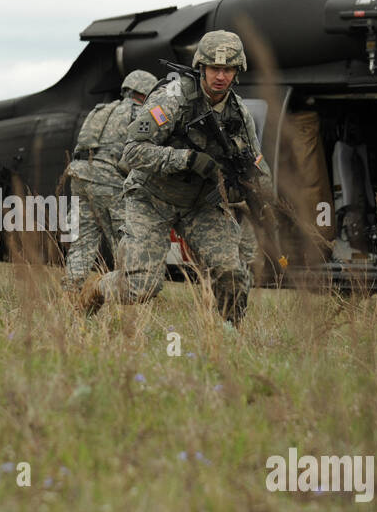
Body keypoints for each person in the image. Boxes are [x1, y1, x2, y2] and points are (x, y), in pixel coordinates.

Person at [79, 31, 273, 324]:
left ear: (237, 71)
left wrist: (262, 194)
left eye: (228, 69)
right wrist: (187, 160)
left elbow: (255, 162)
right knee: (141, 286)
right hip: (152, 198)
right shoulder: (172, 99)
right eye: (214, 68)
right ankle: (96, 288)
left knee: (232, 273)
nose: (220, 76)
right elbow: (132, 153)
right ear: (201, 68)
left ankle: (230, 338)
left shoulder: (238, 114)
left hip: (200, 204)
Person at [61, 69, 158, 292]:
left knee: (83, 240)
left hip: (79, 175)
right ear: (145, 93)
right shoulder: (139, 114)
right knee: (123, 239)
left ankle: (71, 290)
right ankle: (127, 290)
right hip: (109, 180)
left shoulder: (102, 110)